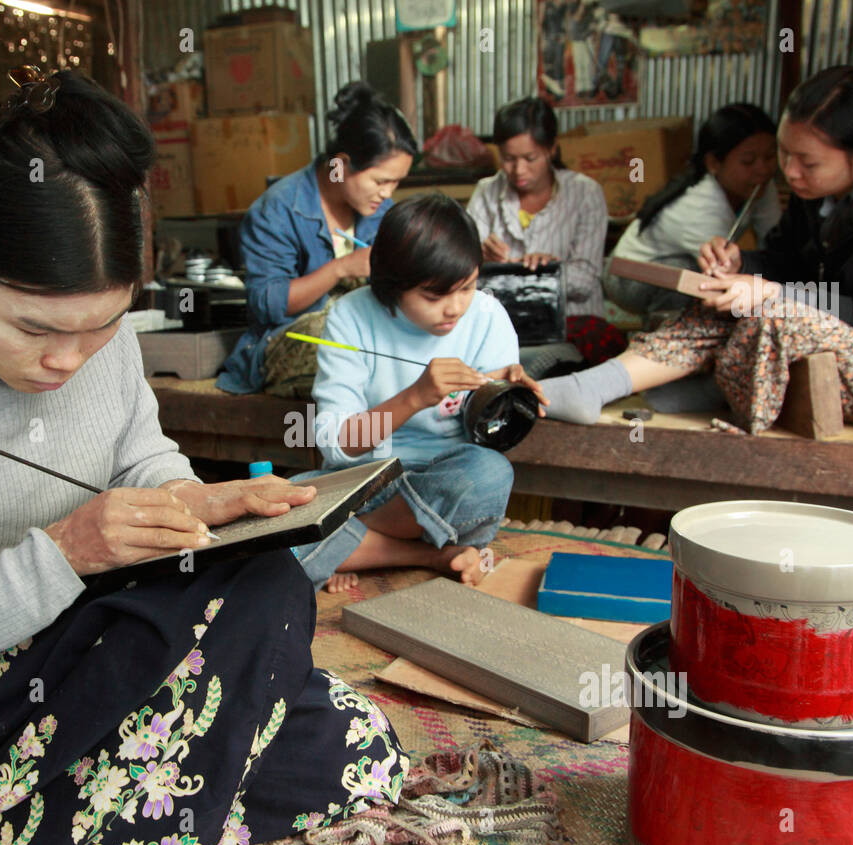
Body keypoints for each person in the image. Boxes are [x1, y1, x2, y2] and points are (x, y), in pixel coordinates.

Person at [0, 70, 408, 845]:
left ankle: (29, 826)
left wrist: (195, 499)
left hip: (105, 640)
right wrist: (63, 552)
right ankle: (20, 810)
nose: (67, 360)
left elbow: (141, 455)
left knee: (337, 701)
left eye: (103, 327)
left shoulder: (100, 343)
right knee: (303, 717)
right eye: (34, 328)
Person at [535, 66, 853, 435]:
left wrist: (773, 293)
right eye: (784, 153)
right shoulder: (818, 189)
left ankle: (729, 405)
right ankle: (588, 387)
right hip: (821, 340)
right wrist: (740, 264)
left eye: (807, 161)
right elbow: (785, 260)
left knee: (773, 315)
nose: (788, 171)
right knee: (723, 298)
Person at [289, 193, 547, 594]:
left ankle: (338, 540)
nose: (455, 308)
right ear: (392, 288)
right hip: (365, 481)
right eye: (434, 296)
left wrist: (502, 397)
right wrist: (415, 396)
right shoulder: (349, 317)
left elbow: (490, 445)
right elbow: (337, 444)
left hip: (444, 484)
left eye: (467, 287)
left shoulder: (487, 316)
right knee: (275, 513)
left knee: (489, 475)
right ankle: (431, 555)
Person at [216, 82, 416, 397]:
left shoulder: (381, 211)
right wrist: (342, 268)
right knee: (348, 346)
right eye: (380, 181)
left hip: (365, 329)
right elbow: (268, 306)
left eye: (396, 183)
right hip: (290, 338)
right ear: (341, 164)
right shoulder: (277, 210)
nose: (387, 193)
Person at [465, 96, 621, 373]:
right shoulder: (486, 192)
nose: (518, 170)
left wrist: (550, 270)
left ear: (551, 149)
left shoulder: (586, 194)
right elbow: (461, 272)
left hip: (568, 325)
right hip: (504, 322)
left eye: (530, 158)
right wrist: (480, 257)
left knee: (540, 364)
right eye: (508, 159)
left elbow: (584, 280)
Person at [606, 103, 780, 314]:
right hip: (628, 277)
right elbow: (720, 275)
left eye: (770, 157)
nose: (762, 169)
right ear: (714, 163)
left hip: (671, 265)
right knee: (696, 278)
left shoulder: (760, 184)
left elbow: (775, 247)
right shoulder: (699, 205)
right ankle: (666, 334)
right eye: (748, 161)